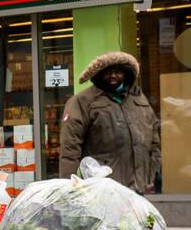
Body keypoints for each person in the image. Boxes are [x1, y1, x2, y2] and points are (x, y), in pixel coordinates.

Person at [59, 51, 161, 194]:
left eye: (118, 72)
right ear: (98, 74)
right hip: (103, 189)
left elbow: (154, 139)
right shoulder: (83, 101)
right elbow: (70, 147)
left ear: (126, 74)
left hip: (140, 187)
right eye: (107, 72)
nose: (113, 76)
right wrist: (68, 188)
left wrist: (152, 173)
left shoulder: (138, 99)